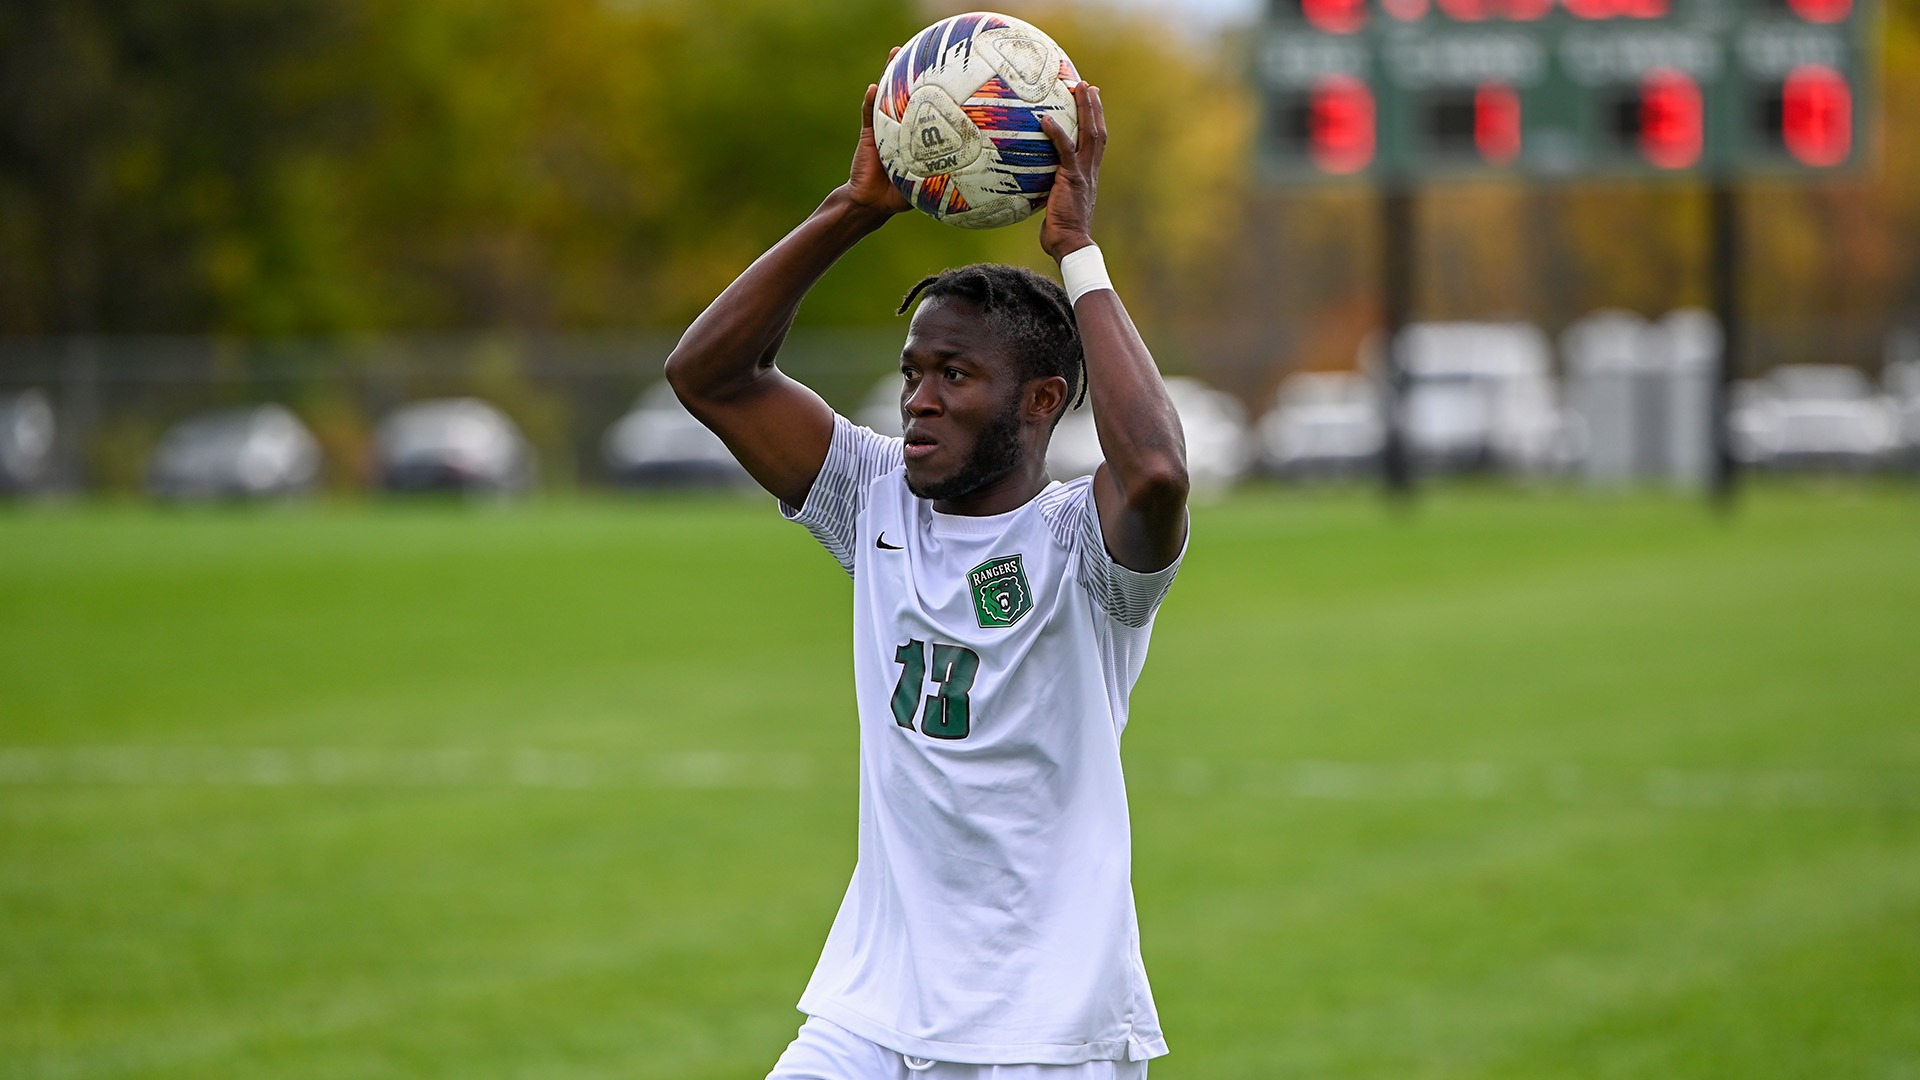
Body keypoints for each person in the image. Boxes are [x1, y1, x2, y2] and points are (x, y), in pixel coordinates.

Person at [665, 67, 1190, 1080]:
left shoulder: (1084, 545)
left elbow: (1159, 468)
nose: (919, 400)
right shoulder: (874, 500)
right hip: (873, 1008)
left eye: (956, 375)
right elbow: (709, 375)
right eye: (913, 372)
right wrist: (855, 209)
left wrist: (1078, 253)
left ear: (1042, 402)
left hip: (1048, 1028)